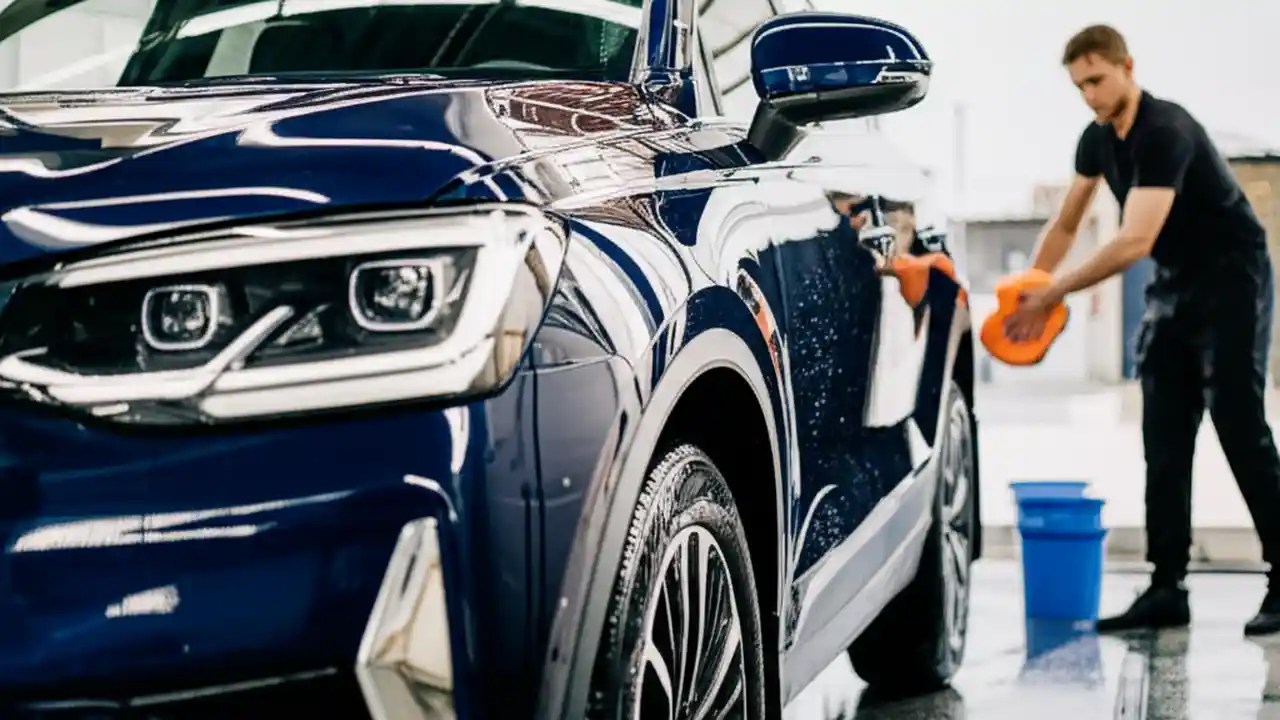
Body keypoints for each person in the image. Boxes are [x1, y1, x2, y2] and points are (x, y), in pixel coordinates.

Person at [1005, 23, 1280, 636]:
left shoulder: (1166, 131)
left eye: (1098, 80)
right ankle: (1166, 587)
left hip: (1233, 278)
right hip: (1176, 286)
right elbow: (1067, 222)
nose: (1091, 96)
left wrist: (1054, 291)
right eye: (1080, 87)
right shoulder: (1096, 140)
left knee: (1239, 424)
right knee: (1162, 433)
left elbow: (1134, 240)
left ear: (1128, 66)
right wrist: (1024, 293)